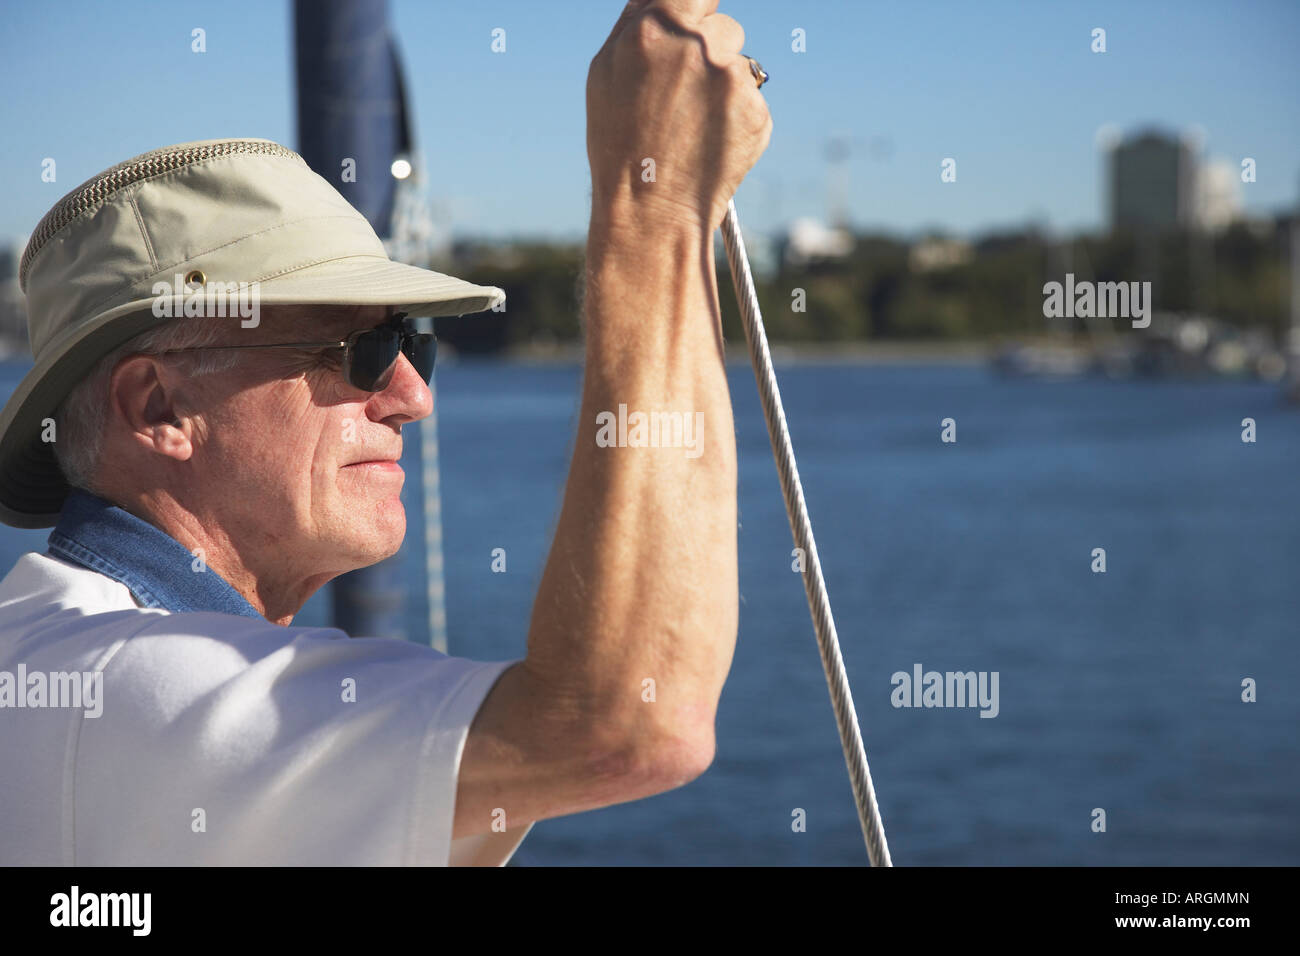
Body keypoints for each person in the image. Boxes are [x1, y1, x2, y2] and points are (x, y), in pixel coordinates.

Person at [0, 0, 770, 865]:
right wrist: (653, 202)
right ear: (158, 409)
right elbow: (625, 724)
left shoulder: (71, 658)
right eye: (360, 351)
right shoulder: (122, 683)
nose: (412, 396)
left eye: (413, 345)